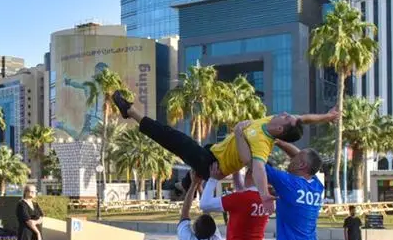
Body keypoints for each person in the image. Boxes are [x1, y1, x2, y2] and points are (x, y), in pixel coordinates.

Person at [111, 89, 339, 212]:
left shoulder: (262, 142)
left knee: (172, 137)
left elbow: (255, 166)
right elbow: (304, 118)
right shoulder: (273, 122)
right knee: (191, 168)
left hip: (212, 164)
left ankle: (130, 111)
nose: (287, 113)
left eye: (287, 117)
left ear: (281, 128)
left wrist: (263, 193)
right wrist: (327, 117)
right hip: (214, 150)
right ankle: (185, 185)